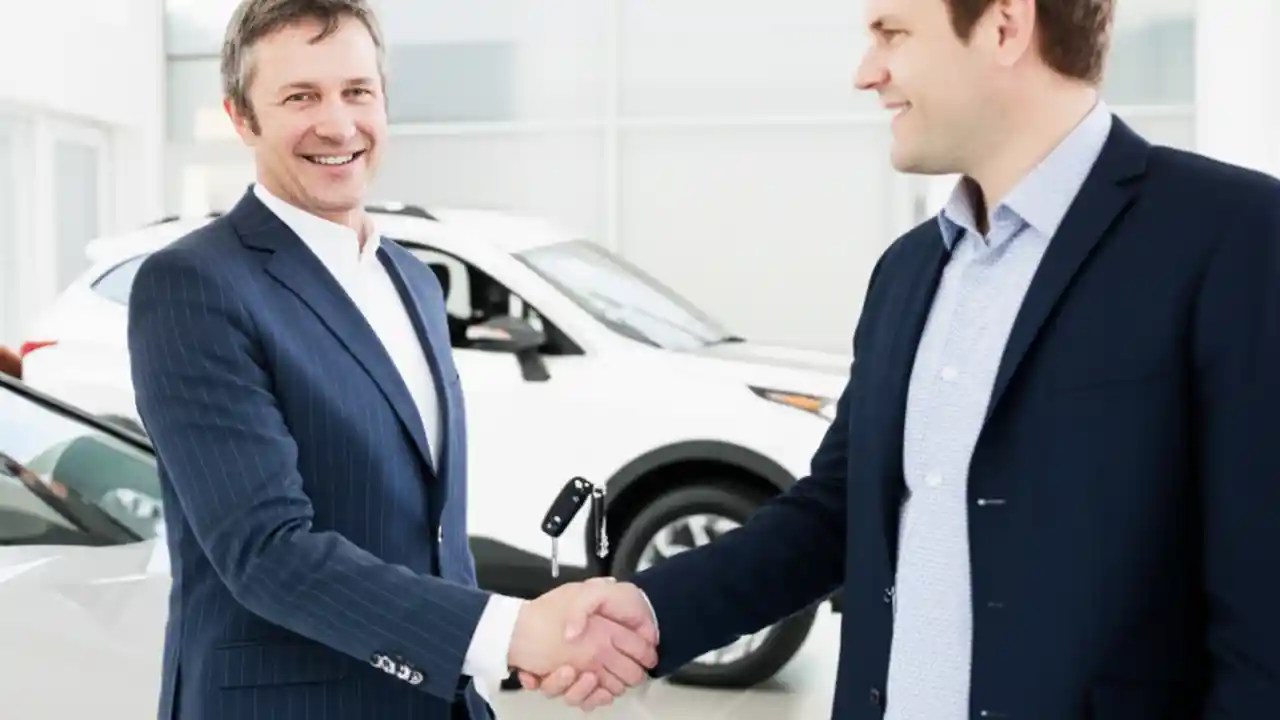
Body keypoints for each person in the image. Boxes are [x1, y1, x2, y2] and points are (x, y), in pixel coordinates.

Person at [521, 0, 1280, 717]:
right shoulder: (911, 270)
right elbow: (836, 511)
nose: (866, 71)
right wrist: (651, 610)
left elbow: (1264, 610)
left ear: (1005, 26)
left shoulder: (1237, 239)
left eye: (892, 33)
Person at [127, 1, 654, 718]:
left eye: (356, 91)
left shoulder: (411, 278)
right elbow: (265, 551)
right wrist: (507, 632)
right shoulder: (194, 285)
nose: (338, 125)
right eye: (300, 97)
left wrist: (486, 659)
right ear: (242, 118)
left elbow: (427, 530)